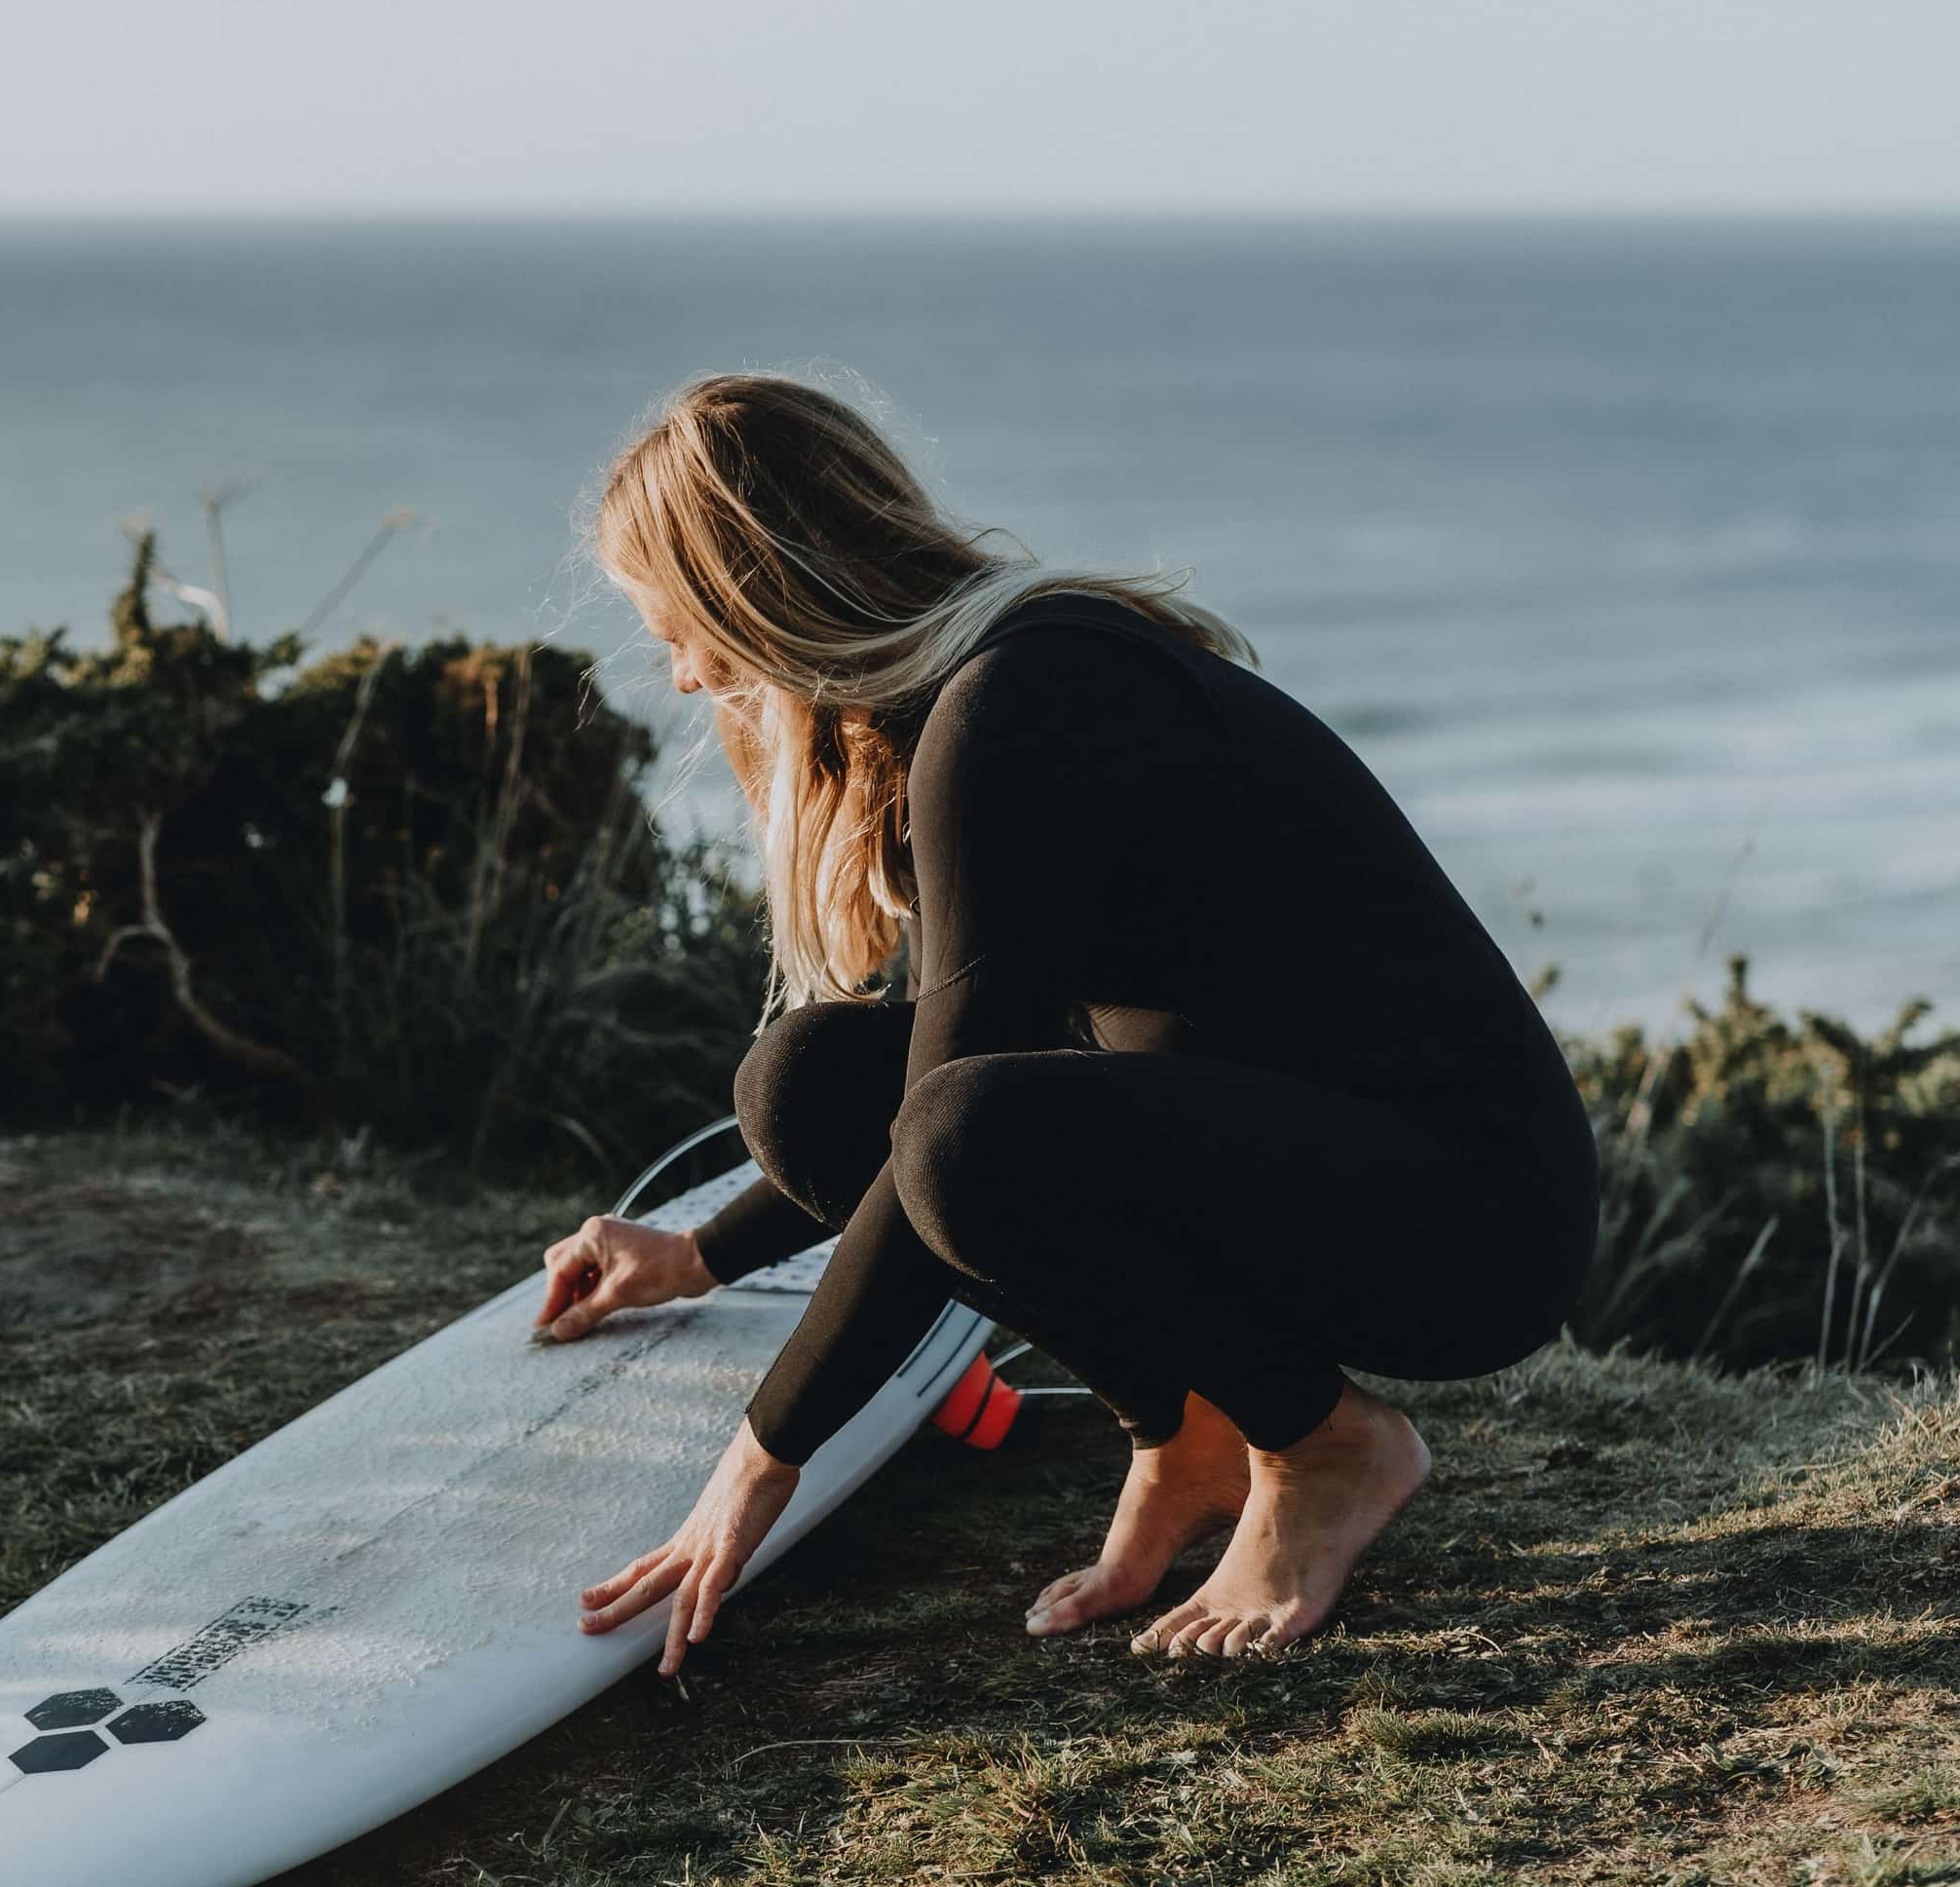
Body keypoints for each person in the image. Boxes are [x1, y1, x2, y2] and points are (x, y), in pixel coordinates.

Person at [536, 374, 1598, 1673]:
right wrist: (702, 1254)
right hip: (1299, 1153)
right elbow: (937, 1086)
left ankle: (1325, 1443)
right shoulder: (962, 703)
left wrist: (759, 1460)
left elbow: (959, 1135)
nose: (690, 677)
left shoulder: (1018, 704)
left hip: (1469, 1221)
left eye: (680, 635)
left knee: (964, 1134)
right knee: (807, 1085)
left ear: (756, 595)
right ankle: (1188, 1425)